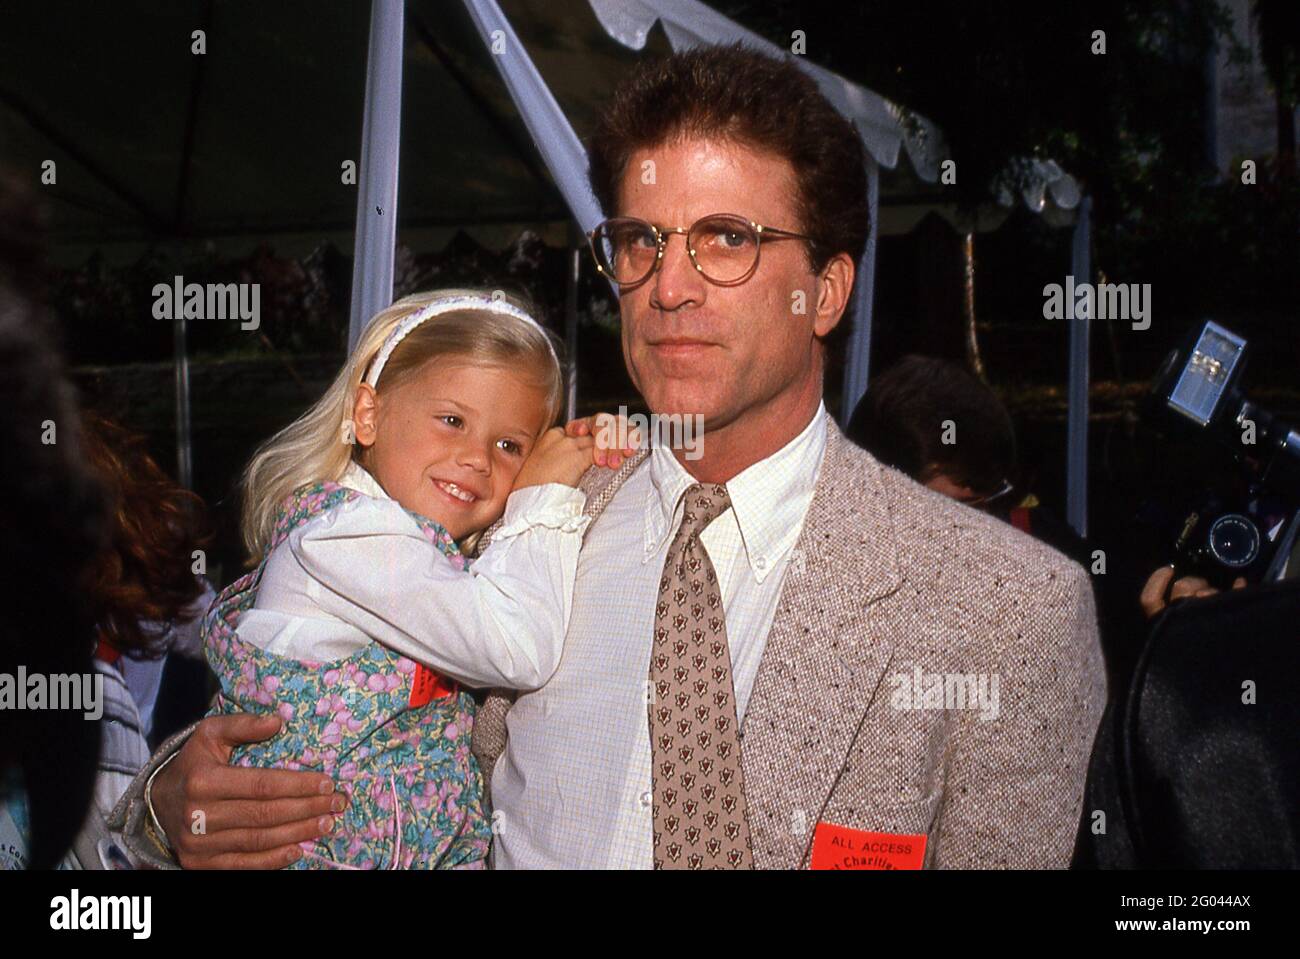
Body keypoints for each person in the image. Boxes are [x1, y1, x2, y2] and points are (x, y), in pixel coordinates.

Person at [114, 44, 1105, 870]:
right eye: (639, 241)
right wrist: (170, 803)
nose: (668, 286)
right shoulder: (499, 510)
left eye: (724, 240)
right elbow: (315, 696)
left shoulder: (1006, 608)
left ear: (828, 290)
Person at [200, 288, 632, 869]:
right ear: (368, 416)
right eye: (452, 420)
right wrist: (542, 498)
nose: (478, 458)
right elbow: (515, 647)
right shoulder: (347, 537)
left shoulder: (405, 545)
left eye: (510, 446)